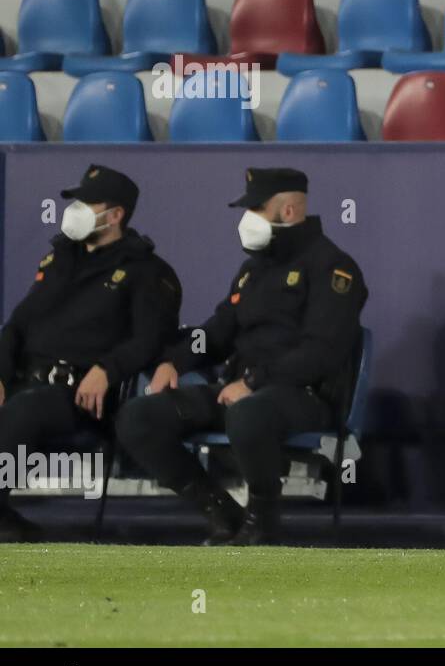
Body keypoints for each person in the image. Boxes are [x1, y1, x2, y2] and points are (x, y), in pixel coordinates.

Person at [115, 168, 367, 546]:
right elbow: (216, 332)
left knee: (248, 413)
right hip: (238, 390)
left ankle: (263, 524)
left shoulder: (333, 267)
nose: (247, 219)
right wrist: (175, 362)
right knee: (138, 417)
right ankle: (222, 513)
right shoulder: (253, 271)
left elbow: (322, 352)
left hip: (303, 395)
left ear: (289, 211)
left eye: (256, 208)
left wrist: (253, 382)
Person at [0, 164, 181, 541]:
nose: (75, 210)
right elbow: (16, 326)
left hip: (80, 396)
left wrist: (107, 368)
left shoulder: (146, 271)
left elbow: (150, 340)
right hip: (23, 380)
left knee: (25, 409)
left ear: (115, 215)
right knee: (20, 400)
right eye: (75, 201)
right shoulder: (58, 260)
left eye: (87, 203)